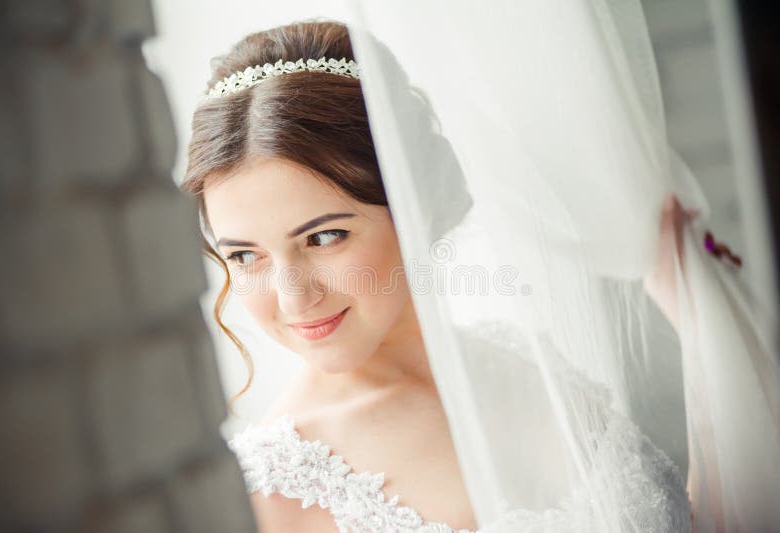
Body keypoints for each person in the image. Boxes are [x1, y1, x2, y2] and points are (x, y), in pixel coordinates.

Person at [182, 18, 768, 533]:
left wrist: (699, 327)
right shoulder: (277, 493)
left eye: (323, 237)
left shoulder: (522, 359)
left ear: (415, 203)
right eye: (245, 256)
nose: (292, 298)